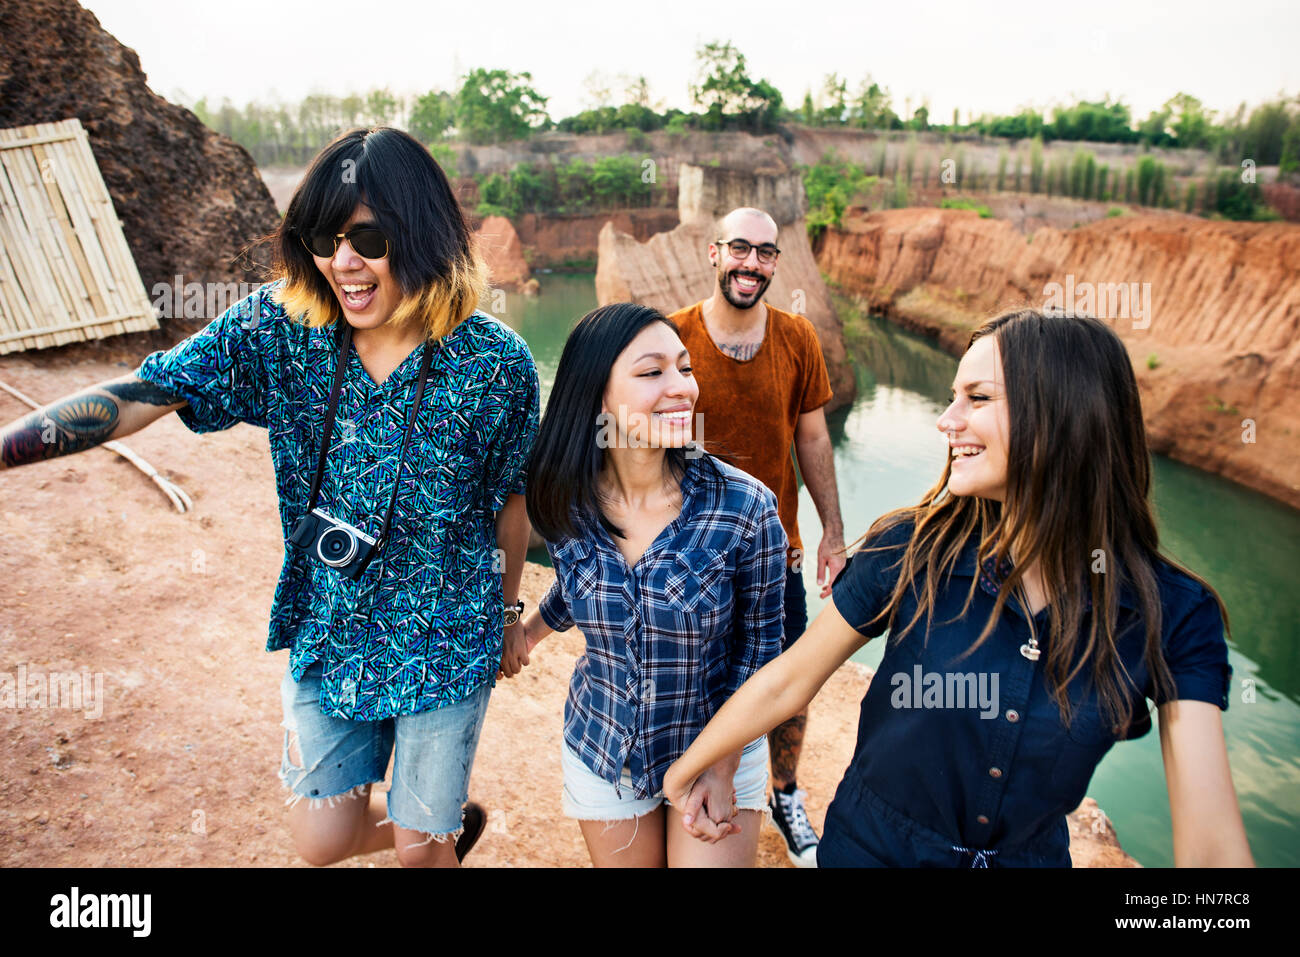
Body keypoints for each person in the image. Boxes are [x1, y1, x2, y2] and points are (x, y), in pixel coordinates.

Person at [0, 127, 540, 868]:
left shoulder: (497, 363)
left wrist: (510, 614)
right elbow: (145, 392)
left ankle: (429, 829)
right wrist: (4, 450)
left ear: (424, 235)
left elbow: (510, 502)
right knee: (322, 841)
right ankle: (439, 820)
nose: (341, 262)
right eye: (323, 236)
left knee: (420, 855)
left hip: (446, 632)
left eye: (369, 238)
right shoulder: (280, 329)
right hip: (330, 619)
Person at [663, 308, 1254, 867]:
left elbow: (1211, 849)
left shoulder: (1173, 614)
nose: (947, 421)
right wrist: (695, 764)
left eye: (977, 399)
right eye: (952, 397)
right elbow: (790, 679)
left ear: (1064, 413)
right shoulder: (907, 547)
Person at [504, 302, 787, 867]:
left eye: (684, 368)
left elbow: (760, 655)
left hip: (715, 750)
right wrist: (529, 631)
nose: (681, 387)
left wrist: (723, 764)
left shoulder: (745, 507)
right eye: (652, 371)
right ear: (596, 396)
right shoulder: (565, 497)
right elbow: (580, 585)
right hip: (603, 750)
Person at [665, 206, 845, 866]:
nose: (752, 262)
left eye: (766, 252)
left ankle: (784, 791)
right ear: (714, 254)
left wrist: (833, 532)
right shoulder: (673, 339)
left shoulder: (797, 338)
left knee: (789, 685)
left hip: (778, 557)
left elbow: (813, 437)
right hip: (691, 561)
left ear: (776, 262)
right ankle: (686, 783)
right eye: (739, 248)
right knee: (693, 681)